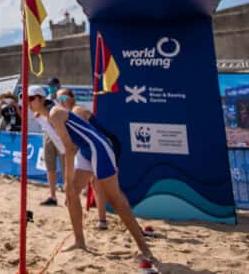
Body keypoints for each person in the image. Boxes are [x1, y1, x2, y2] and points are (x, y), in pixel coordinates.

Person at [26, 86, 156, 269]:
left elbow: (69, 149)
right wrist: (69, 183)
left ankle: (145, 249)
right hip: (87, 151)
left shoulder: (55, 113)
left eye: (30, 100)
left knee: (116, 200)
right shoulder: (48, 116)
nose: (28, 104)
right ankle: (80, 241)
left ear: (40, 99)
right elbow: (70, 148)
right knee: (71, 195)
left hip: (99, 149)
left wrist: (68, 180)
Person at [56, 88, 108, 230]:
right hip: (93, 149)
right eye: (58, 99)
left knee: (82, 188)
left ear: (72, 98)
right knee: (92, 186)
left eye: (63, 98)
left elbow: (83, 135)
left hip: (96, 149)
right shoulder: (70, 113)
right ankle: (100, 220)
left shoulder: (77, 110)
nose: (61, 102)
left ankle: (94, 220)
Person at [40, 78, 62, 206]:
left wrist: (59, 98)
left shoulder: (62, 98)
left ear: (58, 86)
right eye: (50, 85)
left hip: (61, 133)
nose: (51, 87)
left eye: (53, 85)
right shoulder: (45, 100)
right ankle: (52, 196)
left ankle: (69, 195)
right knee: (50, 167)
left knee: (66, 167)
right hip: (48, 134)